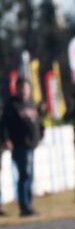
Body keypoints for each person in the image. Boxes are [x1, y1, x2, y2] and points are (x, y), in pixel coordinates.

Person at [0, 78, 45, 217]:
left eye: (26, 88)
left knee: (29, 176)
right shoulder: (12, 104)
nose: (24, 90)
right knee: (24, 175)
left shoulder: (31, 103)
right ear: (17, 88)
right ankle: (24, 207)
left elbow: (36, 122)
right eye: (21, 88)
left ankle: (29, 205)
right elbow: (4, 124)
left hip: (31, 145)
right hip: (19, 145)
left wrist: (40, 134)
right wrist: (6, 139)